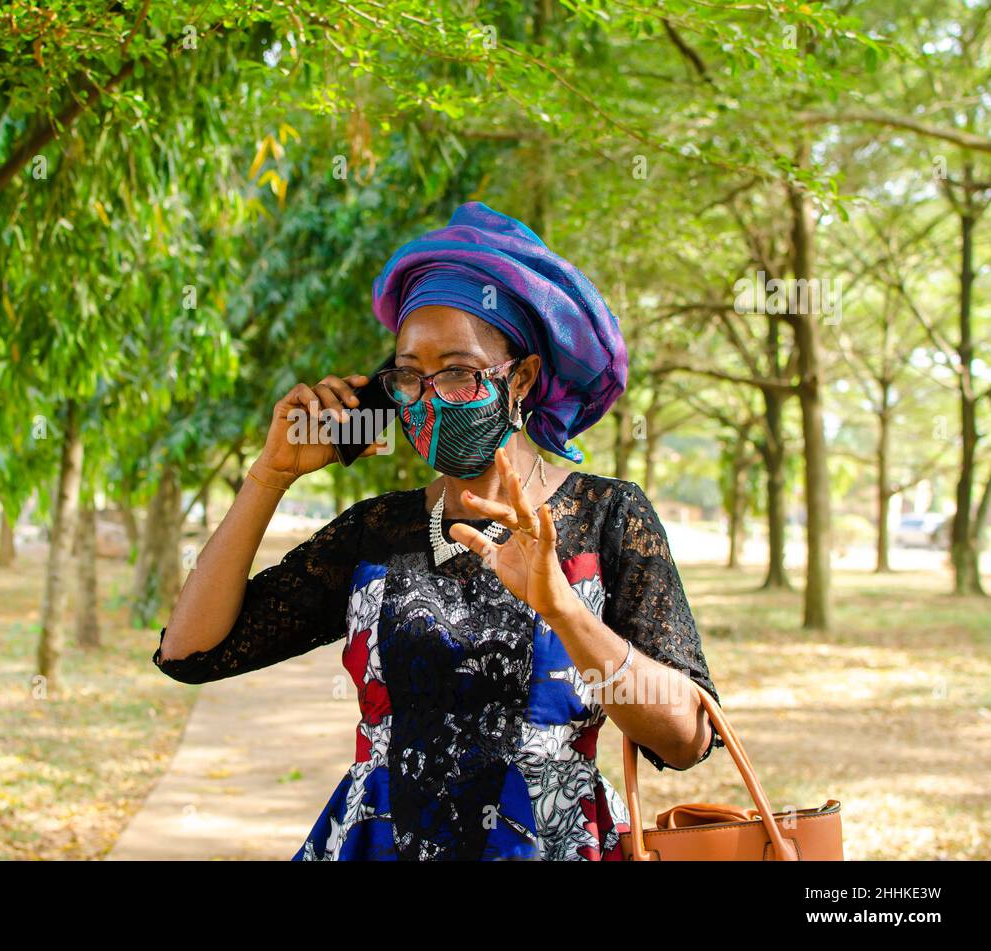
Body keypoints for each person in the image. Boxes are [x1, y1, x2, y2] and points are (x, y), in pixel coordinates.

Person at [152, 201, 724, 861]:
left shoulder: (609, 517)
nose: (427, 395)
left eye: (457, 371)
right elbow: (189, 652)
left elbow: (686, 737)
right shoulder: (378, 532)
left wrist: (563, 608)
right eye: (409, 375)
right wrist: (269, 475)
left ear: (524, 377)